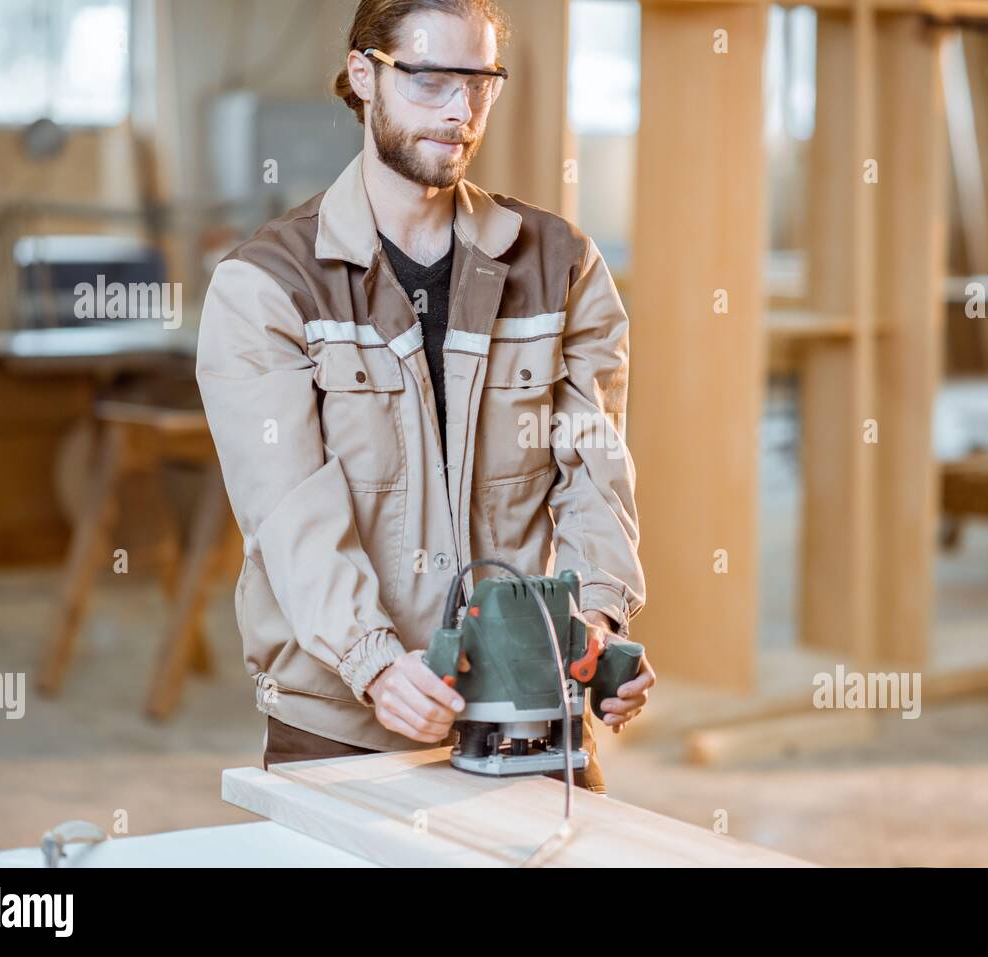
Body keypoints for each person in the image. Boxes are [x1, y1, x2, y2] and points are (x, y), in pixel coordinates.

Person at [196, 0, 651, 792]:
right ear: (364, 76)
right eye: (432, 80)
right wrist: (372, 661)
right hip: (339, 721)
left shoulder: (561, 265)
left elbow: (596, 472)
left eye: (479, 83)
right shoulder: (266, 285)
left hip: (526, 707)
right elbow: (289, 512)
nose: (459, 111)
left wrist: (596, 626)